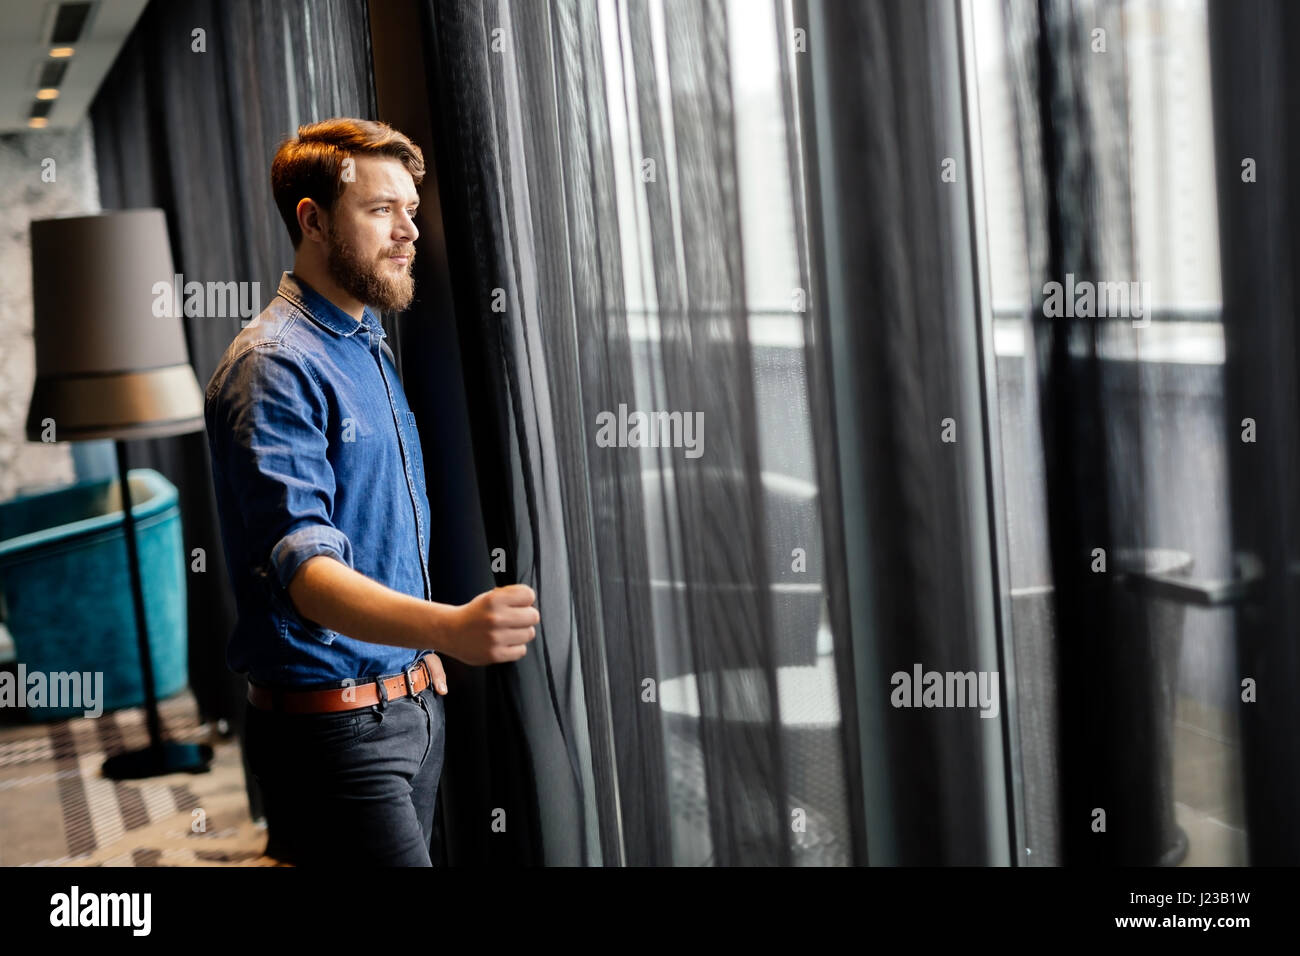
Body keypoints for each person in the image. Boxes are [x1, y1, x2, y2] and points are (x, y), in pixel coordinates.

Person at [204, 118, 540, 866]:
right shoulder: (275, 366)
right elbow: (308, 577)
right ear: (314, 221)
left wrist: (418, 659)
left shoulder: (362, 344)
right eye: (382, 209)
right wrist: (448, 626)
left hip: (407, 705)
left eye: (410, 210)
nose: (409, 231)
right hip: (335, 736)